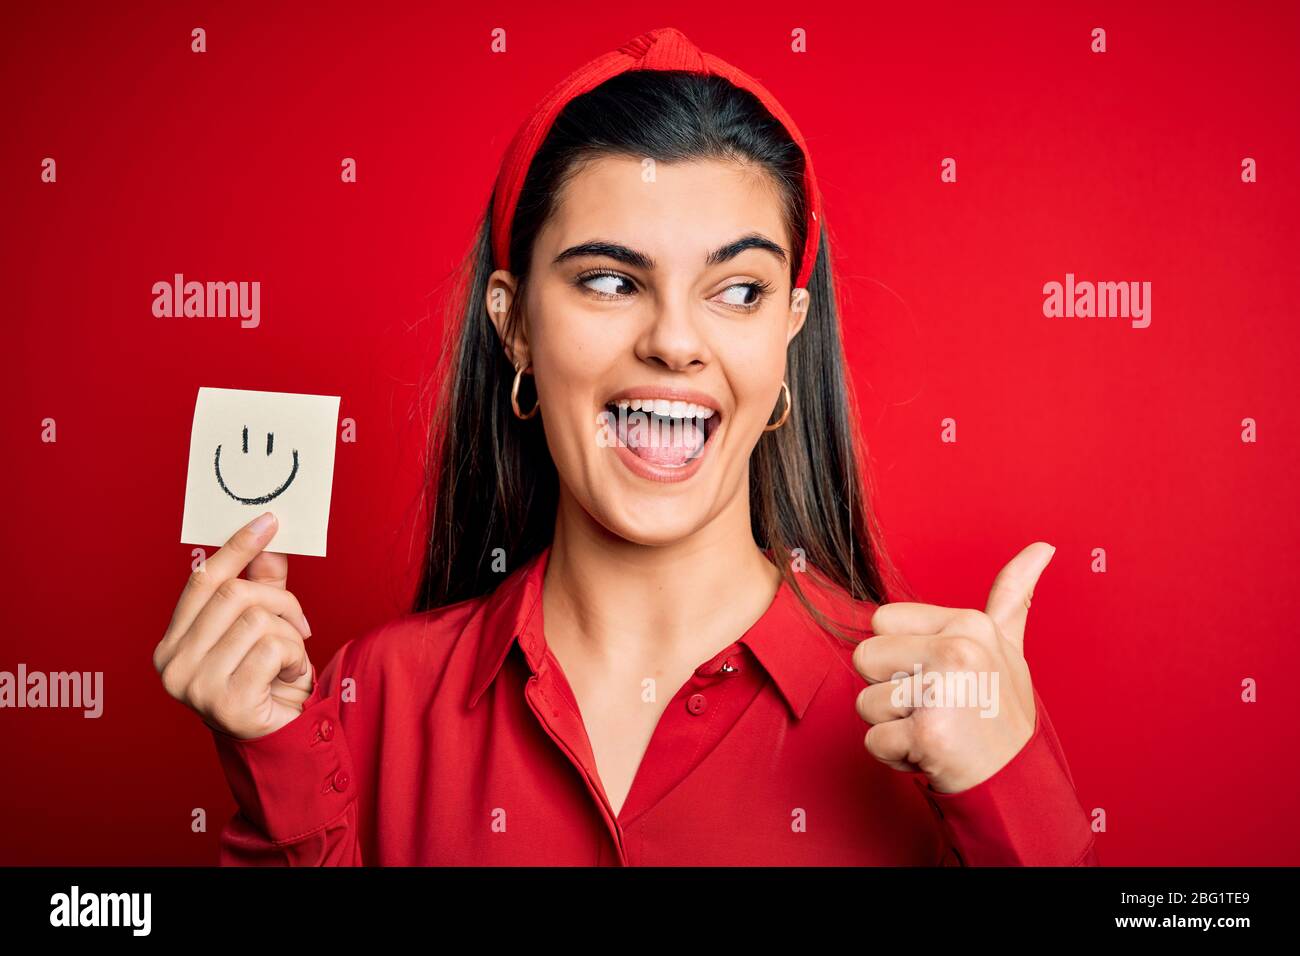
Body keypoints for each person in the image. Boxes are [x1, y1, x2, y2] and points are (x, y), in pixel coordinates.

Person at [153, 26, 1098, 866]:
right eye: (609, 281)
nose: (676, 342)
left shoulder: (921, 717)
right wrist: (279, 769)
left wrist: (1015, 804)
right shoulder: (371, 699)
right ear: (515, 324)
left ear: (788, 337)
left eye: (738, 291)